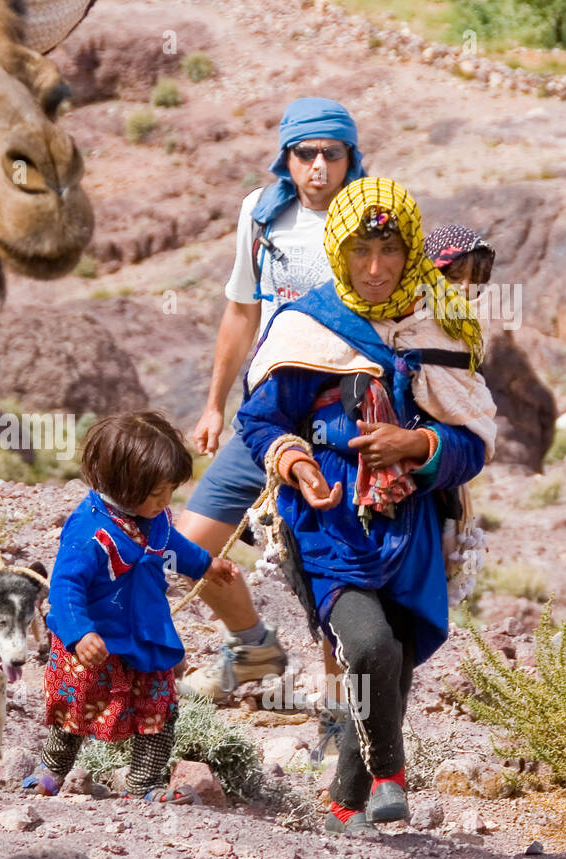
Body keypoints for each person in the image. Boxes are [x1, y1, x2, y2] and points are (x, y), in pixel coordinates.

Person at [237, 178, 497, 836]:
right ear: (337, 252)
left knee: (395, 667)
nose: (376, 269)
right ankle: (391, 771)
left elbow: (472, 443)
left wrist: (420, 442)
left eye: (389, 251)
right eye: (360, 252)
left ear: (410, 250)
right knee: (371, 647)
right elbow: (261, 421)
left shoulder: (438, 328)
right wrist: (296, 463)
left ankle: (342, 808)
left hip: (413, 531)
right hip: (327, 523)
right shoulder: (307, 327)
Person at [178, 97, 368, 705]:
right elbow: (241, 310)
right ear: (286, 158)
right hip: (265, 416)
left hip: (343, 418)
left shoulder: (372, 216)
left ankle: (345, 724)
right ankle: (254, 649)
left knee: (335, 572)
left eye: (331, 154)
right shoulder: (260, 214)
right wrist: (213, 405)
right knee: (188, 547)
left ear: (349, 157)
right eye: (305, 153)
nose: (318, 166)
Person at [21, 412, 241, 801]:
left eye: (170, 490)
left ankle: (145, 784)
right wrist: (79, 633)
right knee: (77, 707)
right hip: (94, 640)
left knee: (158, 711)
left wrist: (207, 565)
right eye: (157, 492)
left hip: (146, 632)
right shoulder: (90, 530)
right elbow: (66, 586)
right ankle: (51, 770)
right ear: (123, 485)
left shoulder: (153, 518)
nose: (165, 500)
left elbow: (173, 544)